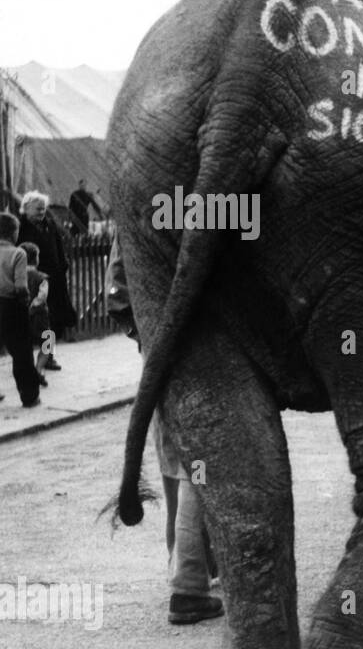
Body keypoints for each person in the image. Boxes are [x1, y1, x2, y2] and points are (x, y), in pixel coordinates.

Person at [104, 233, 223, 625]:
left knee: (176, 455)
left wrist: (148, 335)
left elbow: (116, 292)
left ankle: (191, 565)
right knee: (199, 457)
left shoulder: (138, 200)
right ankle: (189, 581)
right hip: (203, 342)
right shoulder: (203, 200)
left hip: (160, 346)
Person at [17, 192, 75, 370]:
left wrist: (63, 265)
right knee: (25, 323)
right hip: (30, 281)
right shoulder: (20, 228)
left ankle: (48, 357)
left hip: (53, 281)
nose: (42, 212)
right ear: (26, 208)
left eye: (43, 208)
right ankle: (24, 361)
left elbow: (58, 247)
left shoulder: (49, 224)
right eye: (38, 209)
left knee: (51, 322)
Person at [0, 213, 41, 406]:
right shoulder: (18, 254)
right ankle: (29, 395)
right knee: (21, 352)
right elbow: (21, 286)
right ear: (13, 233)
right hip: (11, 305)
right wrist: (25, 302)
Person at [20, 242, 51, 386]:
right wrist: (33, 306)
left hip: (22, 316)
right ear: (36, 259)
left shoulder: (18, 275)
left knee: (25, 345)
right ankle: (38, 369)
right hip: (39, 317)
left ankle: (29, 372)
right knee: (47, 342)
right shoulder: (41, 277)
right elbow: (42, 296)